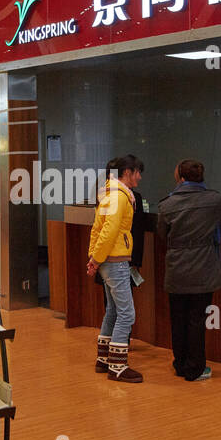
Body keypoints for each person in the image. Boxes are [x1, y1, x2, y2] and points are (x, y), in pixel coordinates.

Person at [158, 159, 221, 381]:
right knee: (197, 320)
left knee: (178, 318)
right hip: (203, 267)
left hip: (176, 268)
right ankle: (195, 368)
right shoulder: (213, 200)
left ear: (180, 178)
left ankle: (180, 363)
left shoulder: (167, 204)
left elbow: (162, 233)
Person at [87, 154, 143, 383]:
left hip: (106, 260)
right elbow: (110, 231)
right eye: (137, 171)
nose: (139, 176)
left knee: (112, 310)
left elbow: (96, 229)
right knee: (127, 313)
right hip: (116, 260)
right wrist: (98, 259)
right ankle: (118, 366)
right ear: (127, 172)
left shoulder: (107, 194)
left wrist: (93, 257)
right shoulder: (120, 197)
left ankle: (104, 359)